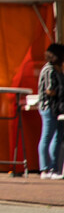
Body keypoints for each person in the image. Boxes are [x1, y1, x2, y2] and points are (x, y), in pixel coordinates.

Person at [37, 43, 63, 179]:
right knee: (47, 136)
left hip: (57, 108)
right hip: (48, 107)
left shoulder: (58, 69)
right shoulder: (49, 69)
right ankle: (45, 169)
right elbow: (49, 90)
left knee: (57, 137)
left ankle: (54, 168)